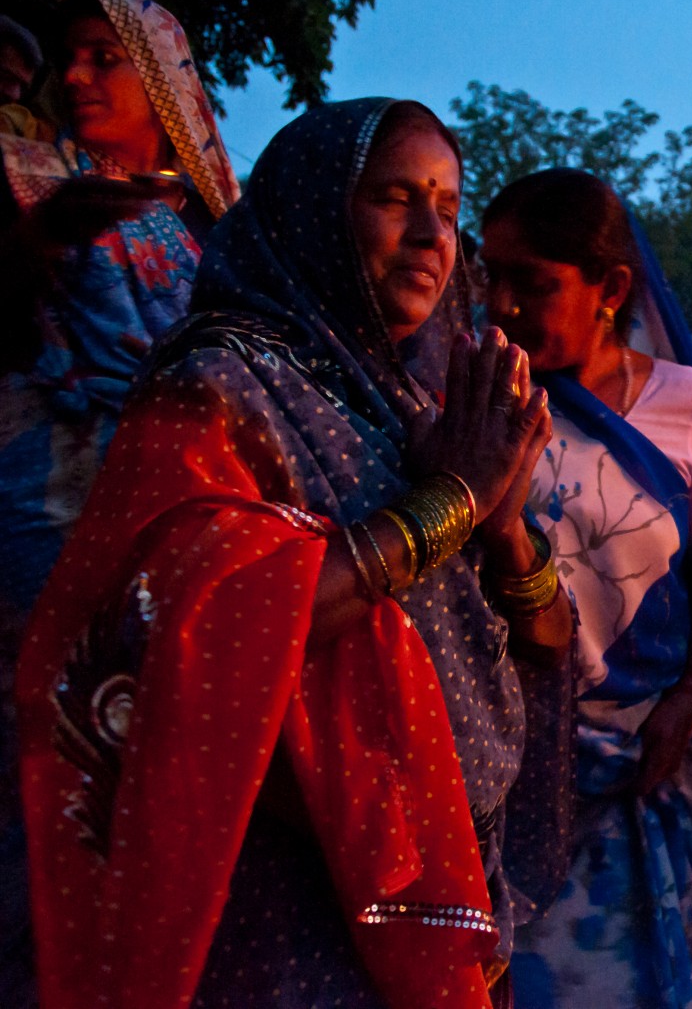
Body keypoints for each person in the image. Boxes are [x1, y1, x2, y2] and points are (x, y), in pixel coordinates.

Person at [19, 98, 574, 1007]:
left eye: (448, 204)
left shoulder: (427, 409)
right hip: (284, 894)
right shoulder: (213, 384)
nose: (433, 233)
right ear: (314, 205)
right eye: (396, 197)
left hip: (444, 887)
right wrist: (451, 502)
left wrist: (503, 522)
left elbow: (549, 647)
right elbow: (202, 620)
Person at [1, 0, 240, 1002]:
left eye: (108, 56)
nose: (81, 75)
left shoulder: (219, 244)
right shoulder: (32, 195)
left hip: (173, 543)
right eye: (75, 59)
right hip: (42, 526)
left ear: (168, 84)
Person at [480, 167, 692, 1008]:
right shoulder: (484, 395)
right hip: (511, 758)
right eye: (490, 276)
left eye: (534, 282)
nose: (501, 303)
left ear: (612, 288)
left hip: (645, 760)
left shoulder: (691, 406)